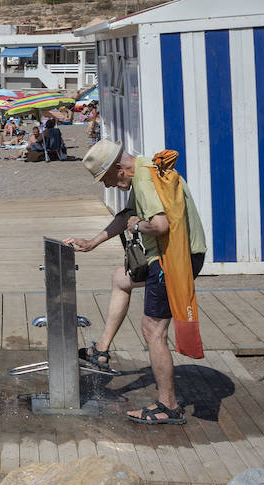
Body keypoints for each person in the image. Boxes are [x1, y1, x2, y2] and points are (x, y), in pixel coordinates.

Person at [65, 140, 208, 426]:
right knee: (121, 278)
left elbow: (159, 225)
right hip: (178, 254)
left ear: (119, 169)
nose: (107, 186)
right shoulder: (144, 169)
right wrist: (92, 243)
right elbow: (125, 217)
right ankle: (101, 351)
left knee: (153, 329)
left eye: (106, 179)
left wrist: (136, 226)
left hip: (173, 260)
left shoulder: (144, 179)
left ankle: (167, 405)